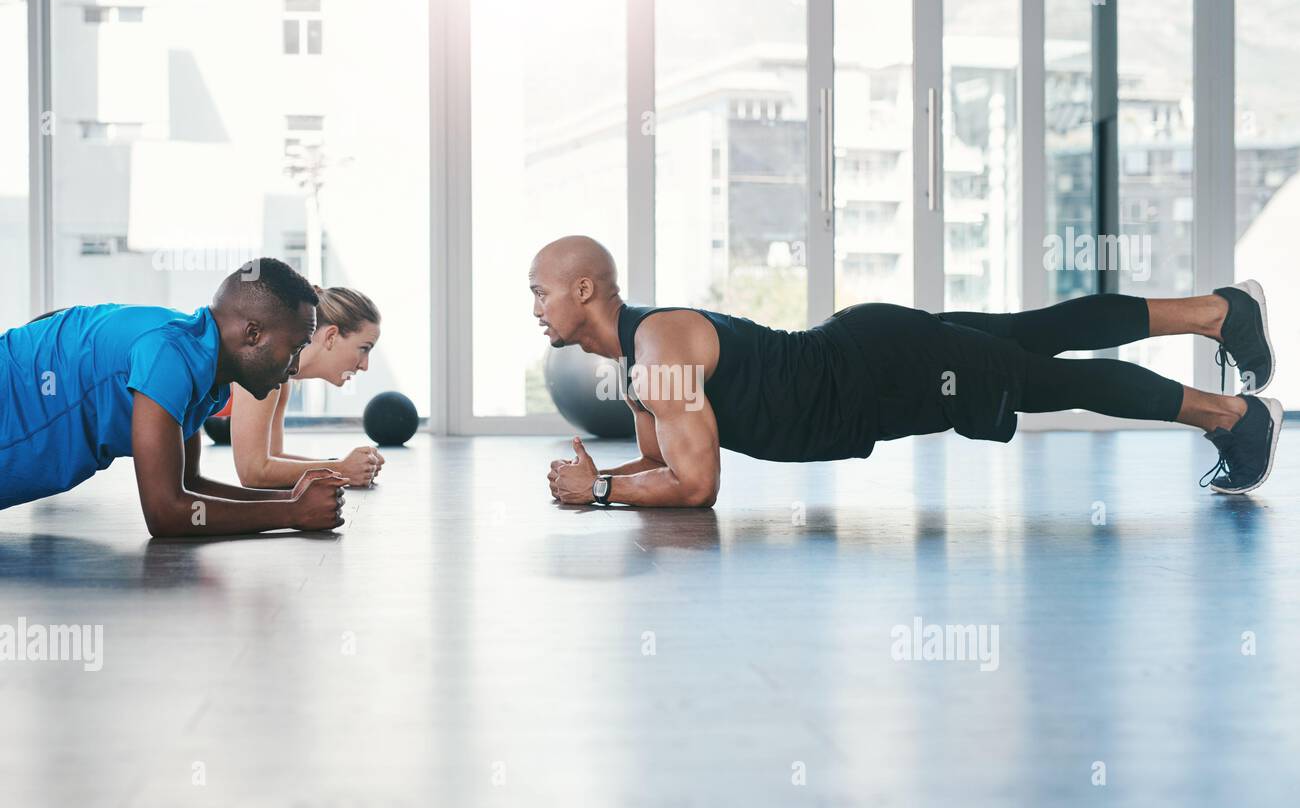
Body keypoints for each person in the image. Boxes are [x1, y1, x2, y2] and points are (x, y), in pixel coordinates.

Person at [534, 235, 1282, 508]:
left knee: (1055, 381)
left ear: (584, 290)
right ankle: (1219, 313)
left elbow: (695, 488)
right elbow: (662, 462)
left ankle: (1237, 419)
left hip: (886, 371)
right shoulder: (642, 363)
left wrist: (599, 490)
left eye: (540, 291)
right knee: (1041, 334)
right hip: (873, 354)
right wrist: (599, 480)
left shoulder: (661, 348)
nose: (535, 308)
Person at [0, 258, 347, 535]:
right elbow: (166, 514)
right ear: (253, 334)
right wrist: (293, 512)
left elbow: (188, 487)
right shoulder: (170, 357)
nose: (295, 366)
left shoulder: (202, 365)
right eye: (295, 348)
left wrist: (291, 496)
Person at [222, 285, 385, 489]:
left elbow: (273, 457)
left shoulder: (281, 377)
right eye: (364, 348)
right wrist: (342, 470)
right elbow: (253, 473)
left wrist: (345, 467)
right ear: (331, 336)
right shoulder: (268, 363)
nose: (365, 365)